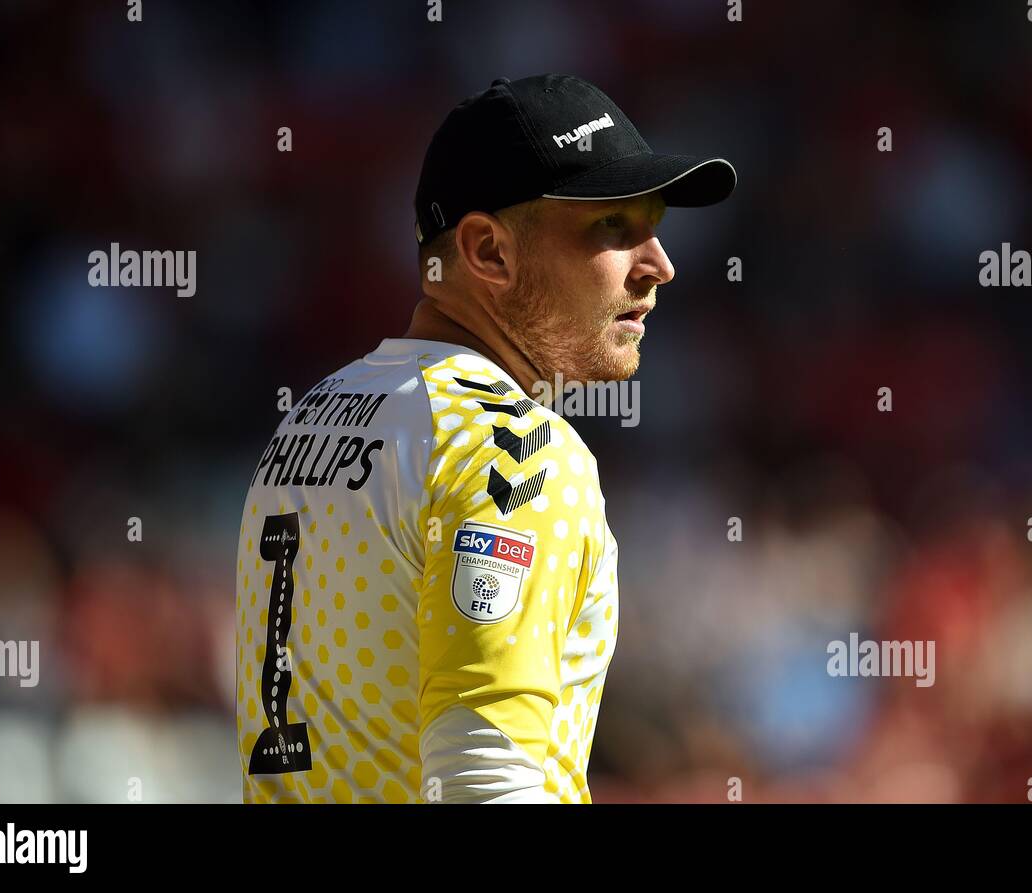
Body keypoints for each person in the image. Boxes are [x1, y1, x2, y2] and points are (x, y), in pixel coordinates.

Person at [235, 73, 735, 803]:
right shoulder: (514, 449)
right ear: (488, 251)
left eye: (653, 226)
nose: (660, 265)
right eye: (614, 228)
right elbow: (483, 781)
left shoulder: (310, 416)